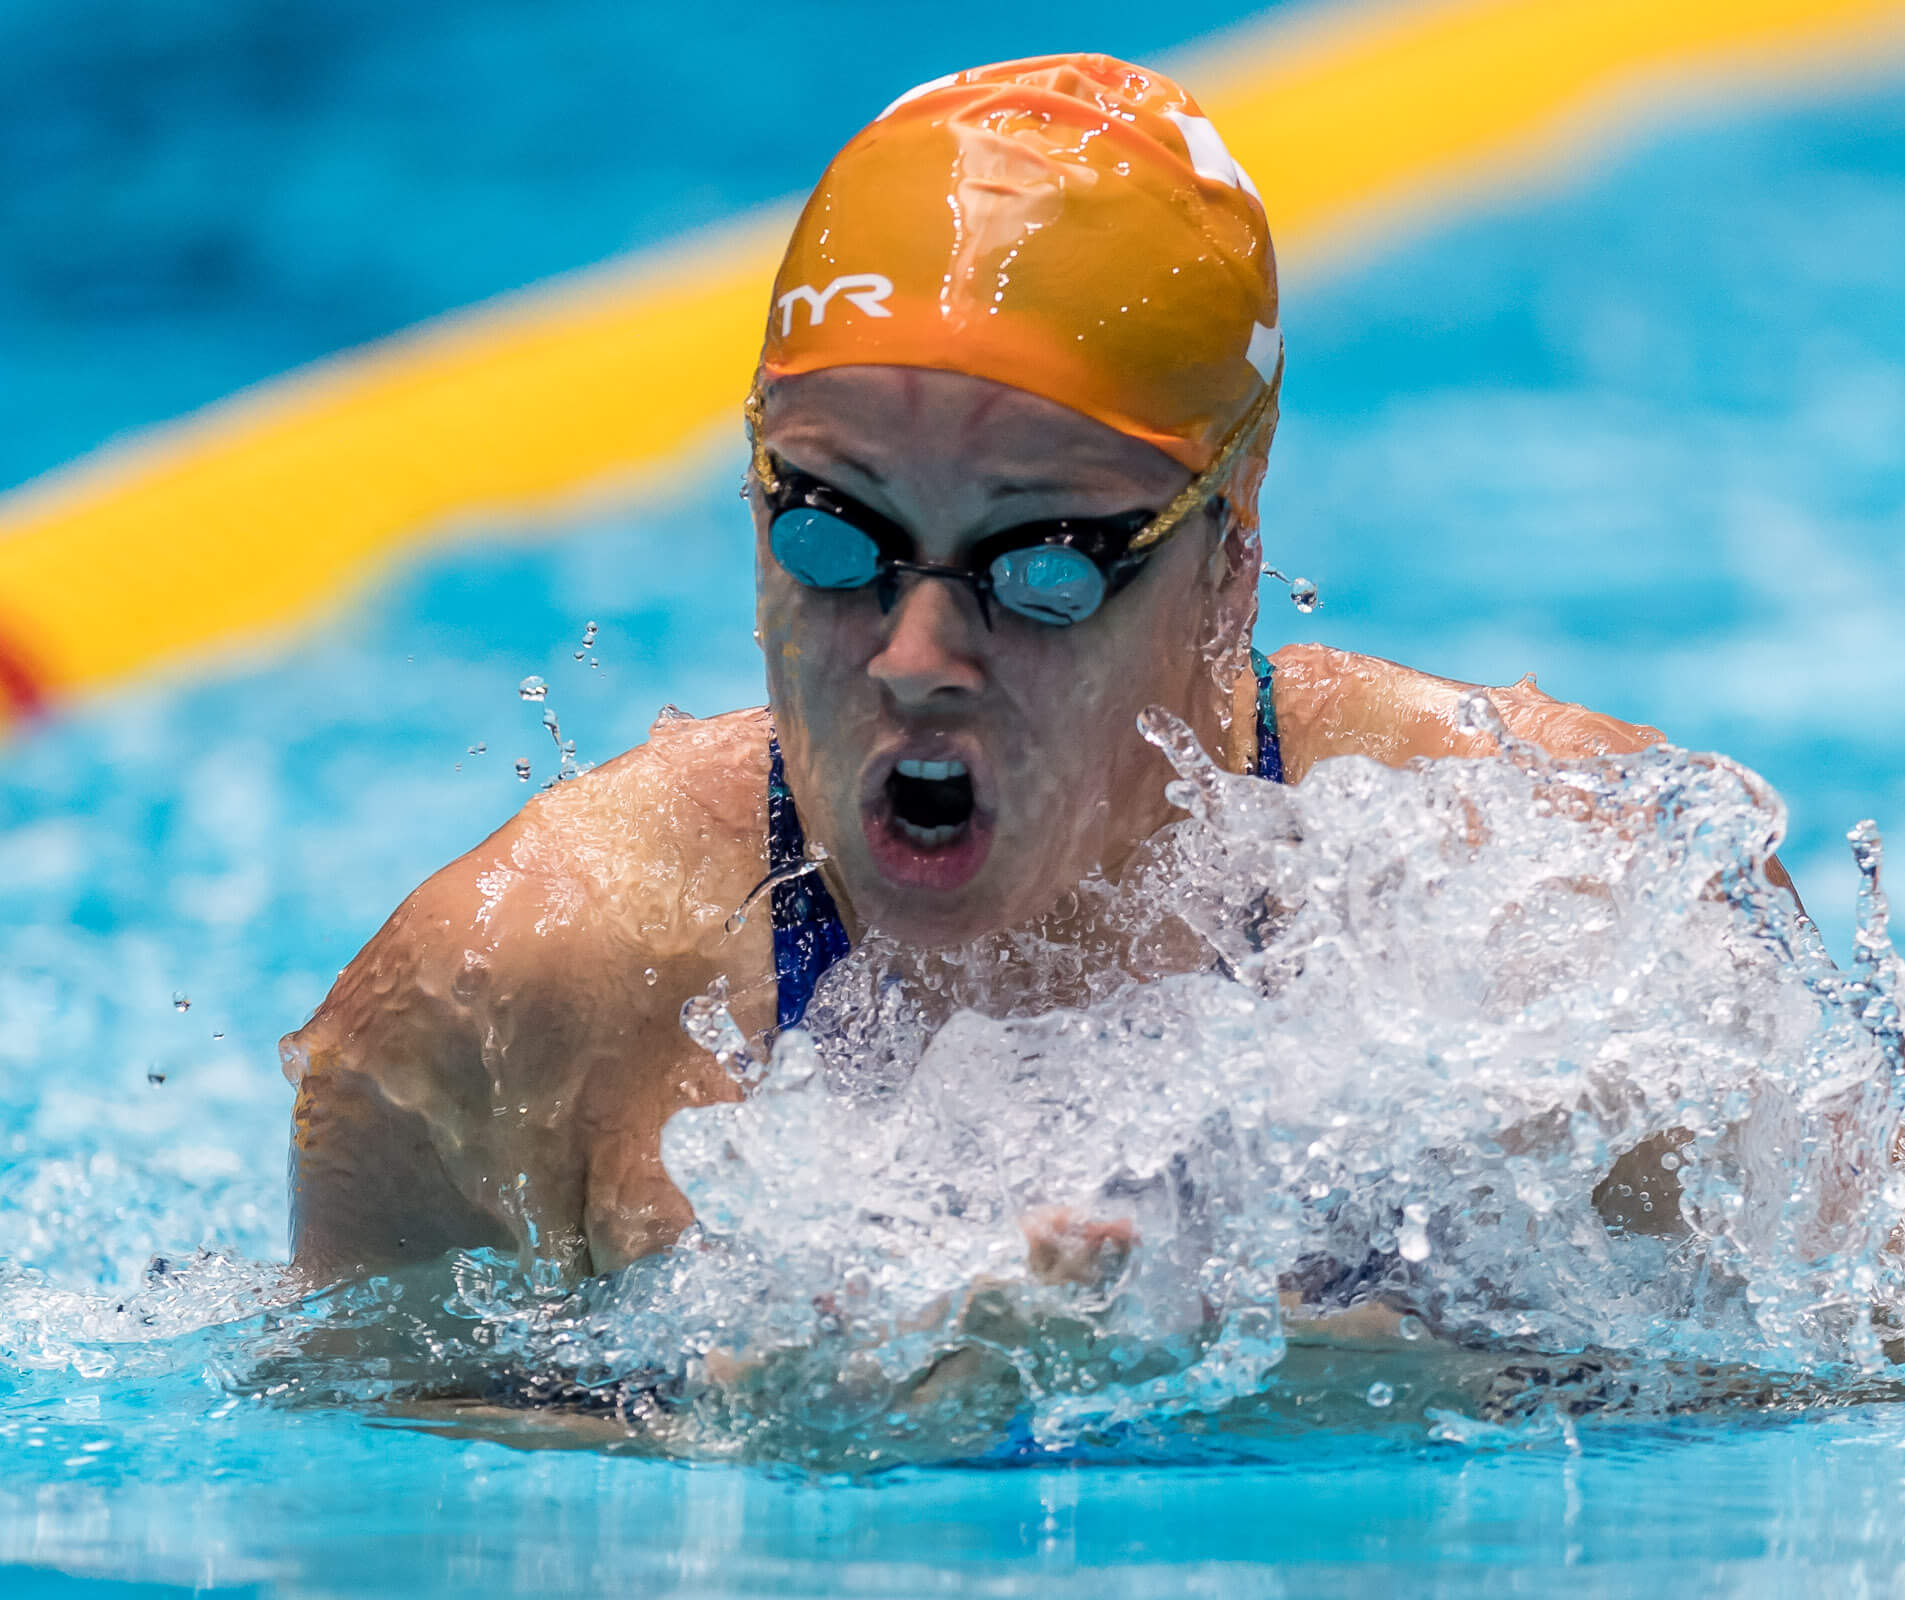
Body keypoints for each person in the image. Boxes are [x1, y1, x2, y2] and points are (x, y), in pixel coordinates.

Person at [285, 54, 1770, 1289]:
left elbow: (1888, 1388)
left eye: (1039, 565)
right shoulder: (518, 1003)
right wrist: (779, 1440)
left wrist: (1254, 1379)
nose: (919, 658)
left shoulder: (1562, 913)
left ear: (1228, 554)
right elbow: (371, 1506)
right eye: (833, 537)